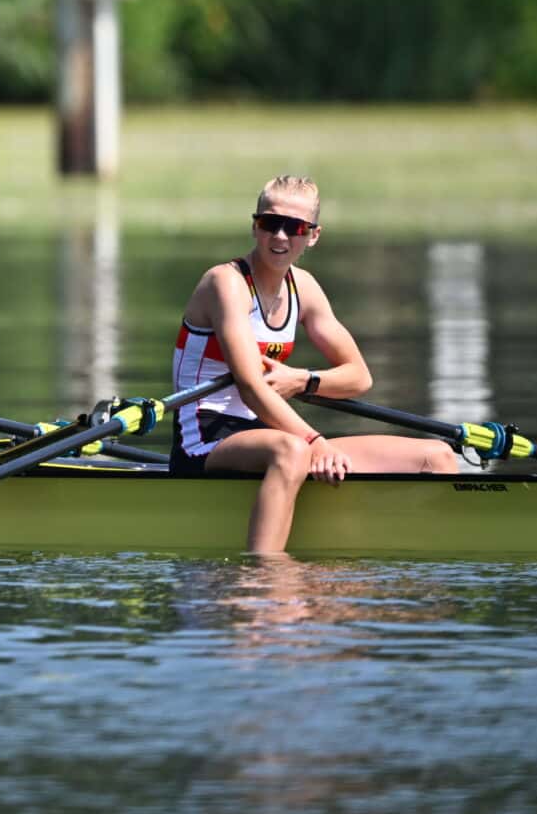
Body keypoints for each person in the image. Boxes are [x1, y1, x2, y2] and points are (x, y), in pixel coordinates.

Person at [171, 175, 458, 553]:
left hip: (269, 431)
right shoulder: (226, 283)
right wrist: (315, 442)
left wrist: (302, 380)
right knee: (292, 452)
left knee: (437, 457)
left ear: (314, 236)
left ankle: (420, 556)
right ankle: (264, 576)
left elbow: (358, 376)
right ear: (254, 226)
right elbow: (251, 386)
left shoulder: (303, 288)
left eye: (295, 228)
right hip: (204, 439)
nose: (280, 237)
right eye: (269, 223)